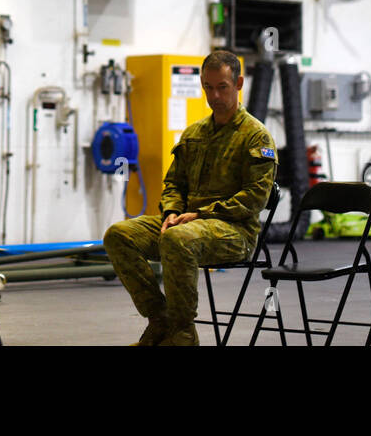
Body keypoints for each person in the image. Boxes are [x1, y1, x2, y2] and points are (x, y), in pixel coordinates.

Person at [103, 50, 277, 346]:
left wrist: (200, 215)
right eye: (207, 87)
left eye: (222, 87)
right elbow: (174, 182)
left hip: (235, 231)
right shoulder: (194, 133)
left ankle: (183, 334)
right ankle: (161, 321)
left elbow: (254, 198)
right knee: (119, 234)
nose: (214, 96)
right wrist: (171, 210)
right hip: (186, 223)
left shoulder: (255, 136)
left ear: (238, 83)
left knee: (179, 238)